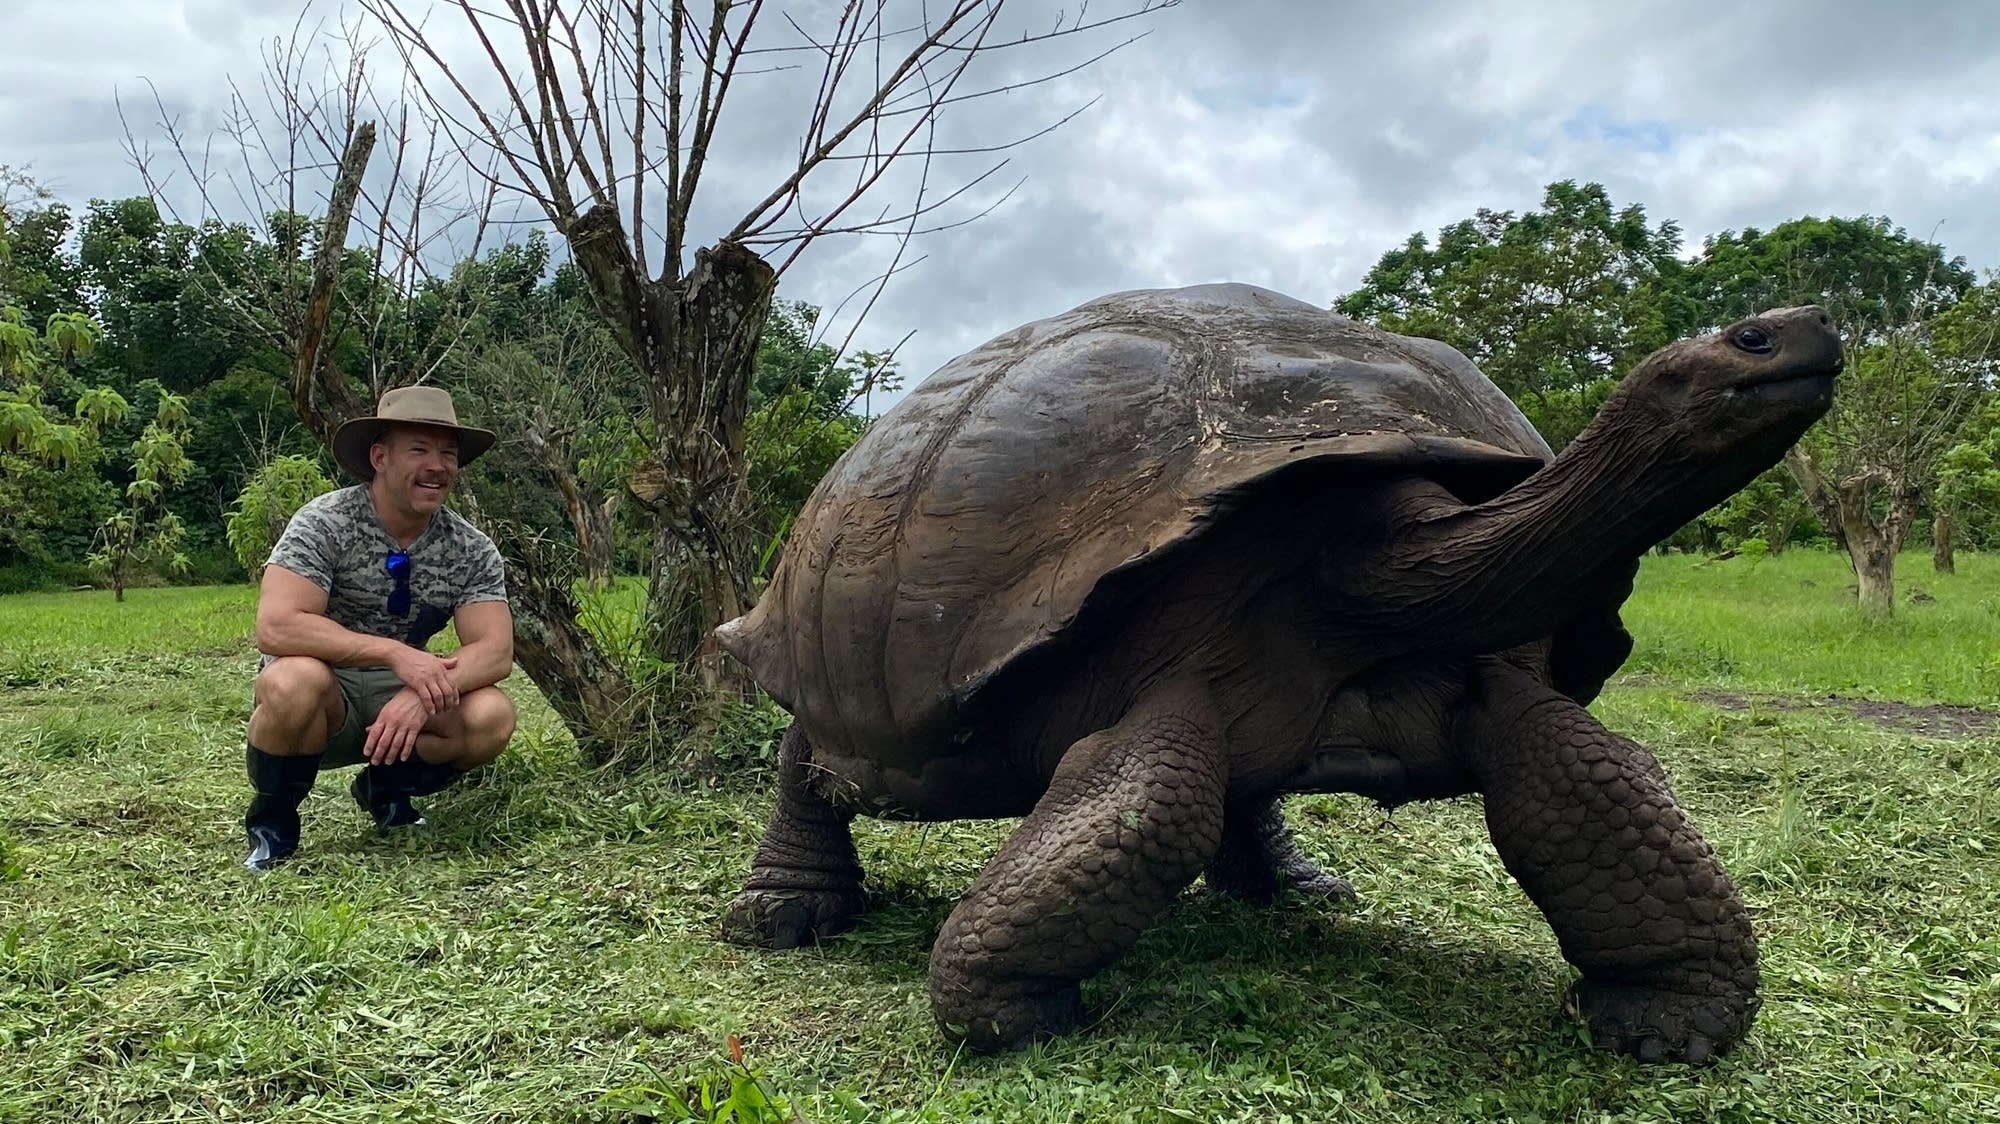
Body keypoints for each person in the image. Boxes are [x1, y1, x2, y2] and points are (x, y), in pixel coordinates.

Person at [243, 385, 518, 870]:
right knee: (291, 680)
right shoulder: (323, 522)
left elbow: (495, 652)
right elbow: (276, 627)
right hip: (327, 688)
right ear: (379, 458)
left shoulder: (471, 547)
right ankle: (274, 821)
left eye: (448, 454)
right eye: (419, 450)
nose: (437, 466)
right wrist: (393, 653)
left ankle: (386, 790)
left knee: (491, 715)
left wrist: (419, 693)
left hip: (405, 685)